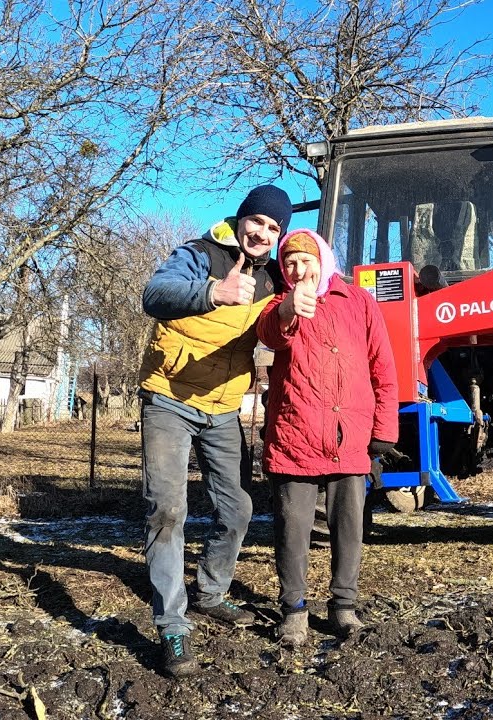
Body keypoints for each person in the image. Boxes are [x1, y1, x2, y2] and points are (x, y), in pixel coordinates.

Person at [138, 184, 292, 677]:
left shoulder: (274, 279)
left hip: (223, 408)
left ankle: (210, 591)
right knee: (168, 508)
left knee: (239, 508)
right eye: (258, 222)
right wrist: (212, 292)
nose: (263, 233)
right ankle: (173, 627)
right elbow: (154, 295)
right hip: (169, 398)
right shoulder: (198, 253)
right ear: (241, 219)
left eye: (274, 228)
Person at [255, 228, 398, 647]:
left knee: (349, 528)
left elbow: (383, 369)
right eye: (291, 263)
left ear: (323, 260)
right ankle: (294, 610)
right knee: (292, 529)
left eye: (307, 260)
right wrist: (287, 310)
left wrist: (384, 432)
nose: (300, 270)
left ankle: (343, 607)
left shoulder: (359, 302)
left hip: (349, 436)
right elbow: (268, 334)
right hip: (294, 435)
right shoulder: (277, 305)